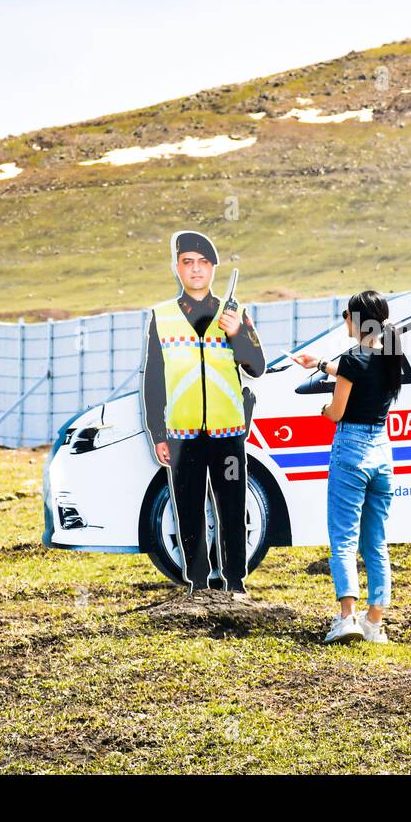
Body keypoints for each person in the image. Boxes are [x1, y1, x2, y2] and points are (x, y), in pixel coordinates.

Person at [141, 231, 265, 593]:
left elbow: (257, 366)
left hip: (228, 431)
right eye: (187, 262)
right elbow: (153, 380)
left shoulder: (236, 313)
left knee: (231, 507)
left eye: (203, 263)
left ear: (214, 268)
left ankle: (236, 581)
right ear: (176, 268)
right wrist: (157, 433)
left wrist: (238, 333)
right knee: (189, 510)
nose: (195, 270)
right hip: (182, 433)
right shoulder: (161, 317)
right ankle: (196, 582)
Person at [291, 290, 404, 644]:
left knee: (343, 538)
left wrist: (324, 410)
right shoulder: (390, 355)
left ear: (357, 320)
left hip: (351, 449)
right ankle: (374, 621)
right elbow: (354, 371)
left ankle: (346, 618)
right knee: (376, 542)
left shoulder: (354, 358)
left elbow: (337, 411)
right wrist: (321, 363)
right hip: (382, 452)